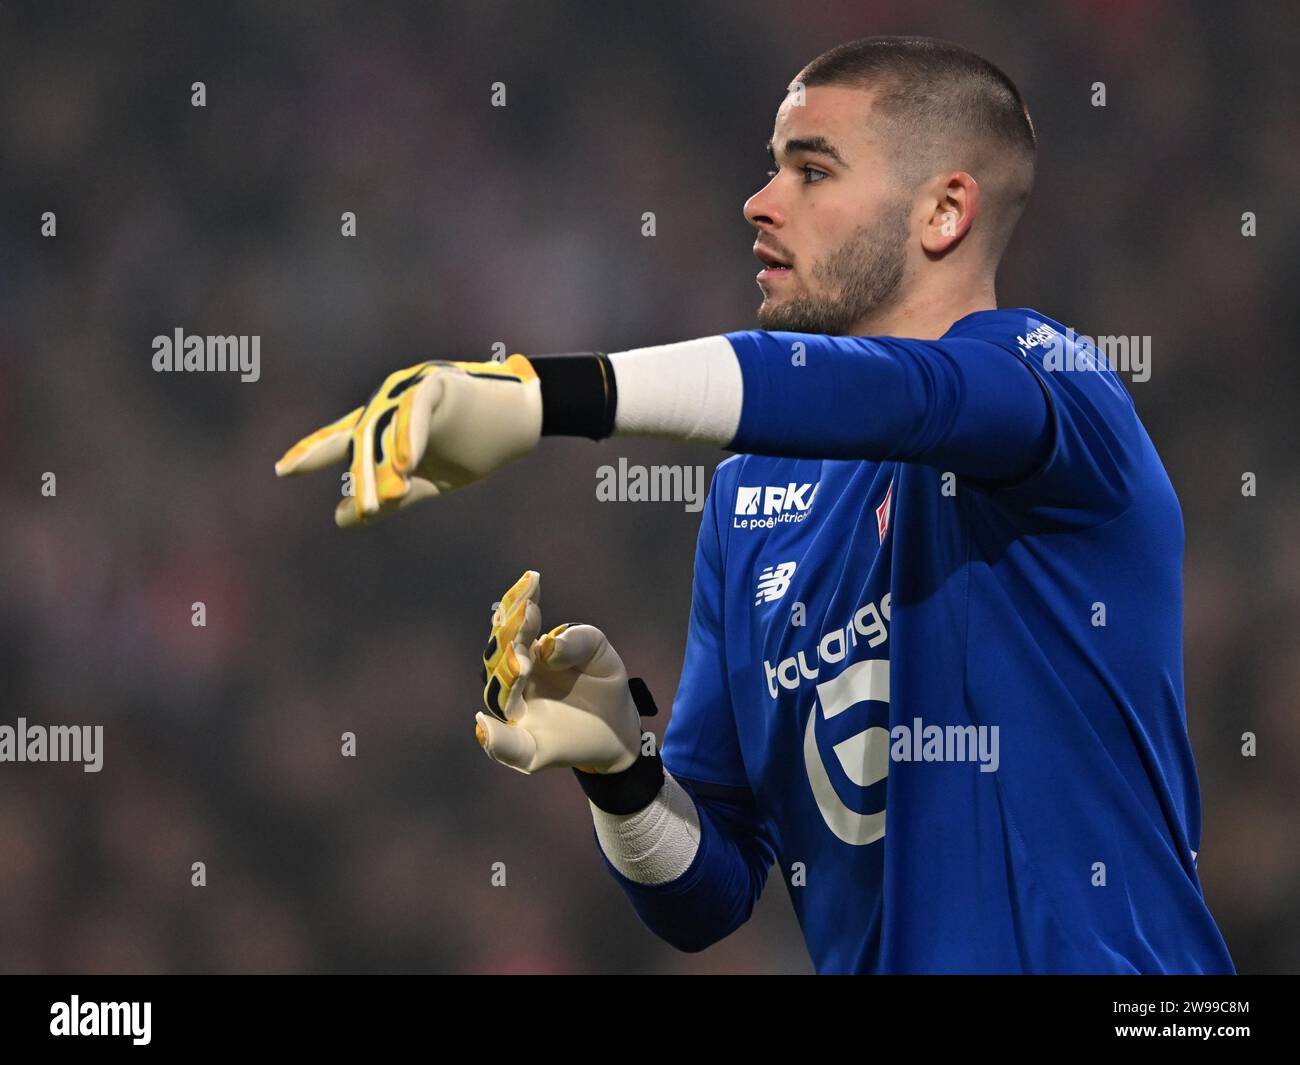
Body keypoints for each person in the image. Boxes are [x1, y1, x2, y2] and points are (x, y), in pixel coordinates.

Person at [276, 35, 1235, 974]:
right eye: (773, 167)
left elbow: (899, 395)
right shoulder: (749, 499)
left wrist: (545, 396)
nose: (761, 201)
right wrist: (623, 775)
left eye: (812, 172)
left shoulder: (1056, 387)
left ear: (944, 211)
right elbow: (711, 894)